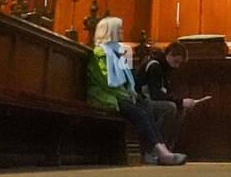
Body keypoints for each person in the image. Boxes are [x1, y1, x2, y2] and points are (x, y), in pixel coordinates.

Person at [87, 17, 186, 166]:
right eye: (118, 29)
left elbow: (129, 78)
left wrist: (131, 92)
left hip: (121, 95)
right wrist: (127, 94)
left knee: (145, 107)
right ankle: (159, 151)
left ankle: (161, 150)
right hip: (106, 96)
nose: (122, 32)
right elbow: (106, 82)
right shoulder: (99, 53)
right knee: (140, 112)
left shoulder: (119, 52)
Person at [136, 41, 210, 149]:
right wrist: (181, 101)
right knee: (170, 108)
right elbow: (156, 94)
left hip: (149, 99)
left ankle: (167, 146)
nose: (177, 66)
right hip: (142, 101)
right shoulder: (155, 66)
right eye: (176, 62)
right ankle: (155, 147)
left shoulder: (165, 68)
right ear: (169, 55)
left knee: (179, 109)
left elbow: (165, 92)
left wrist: (181, 103)